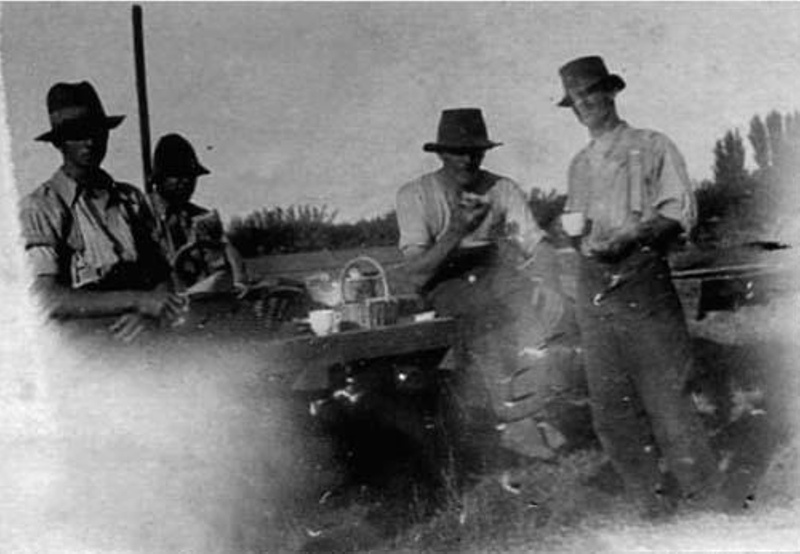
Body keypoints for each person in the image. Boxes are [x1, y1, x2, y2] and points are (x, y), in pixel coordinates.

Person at [555, 56, 726, 516]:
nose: (586, 103)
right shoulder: (578, 165)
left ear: (612, 92)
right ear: (571, 107)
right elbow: (582, 229)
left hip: (642, 277)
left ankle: (709, 508)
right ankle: (649, 504)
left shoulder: (651, 145)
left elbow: (678, 213)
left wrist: (633, 234)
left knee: (667, 397)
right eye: (576, 98)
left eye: (593, 92)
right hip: (593, 284)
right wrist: (575, 238)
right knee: (610, 408)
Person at [396, 108, 577, 477]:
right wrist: (456, 231)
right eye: (458, 151)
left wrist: (550, 284)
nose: (468, 159)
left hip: (495, 273)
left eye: (476, 151)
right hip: (443, 281)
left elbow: (537, 244)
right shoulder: (417, 195)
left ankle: (534, 412)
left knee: (549, 310)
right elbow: (416, 275)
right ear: (440, 153)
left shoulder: (501, 188)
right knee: (487, 313)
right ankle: (515, 421)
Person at [19, 81, 184, 341]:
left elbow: (161, 275)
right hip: (86, 349)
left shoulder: (131, 200)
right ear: (59, 143)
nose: (90, 142)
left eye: (96, 131)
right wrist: (137, 301)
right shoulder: (43, 206)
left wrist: (148, 313)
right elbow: (45, 298)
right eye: (77, 134)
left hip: (144, 340)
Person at [148, 133, 247, 294]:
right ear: (159, 178)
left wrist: (239, 283)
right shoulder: (139, 213)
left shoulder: (202, 217)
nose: (186, 181)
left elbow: (228, 261)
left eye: (190, 176)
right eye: (178, 175)